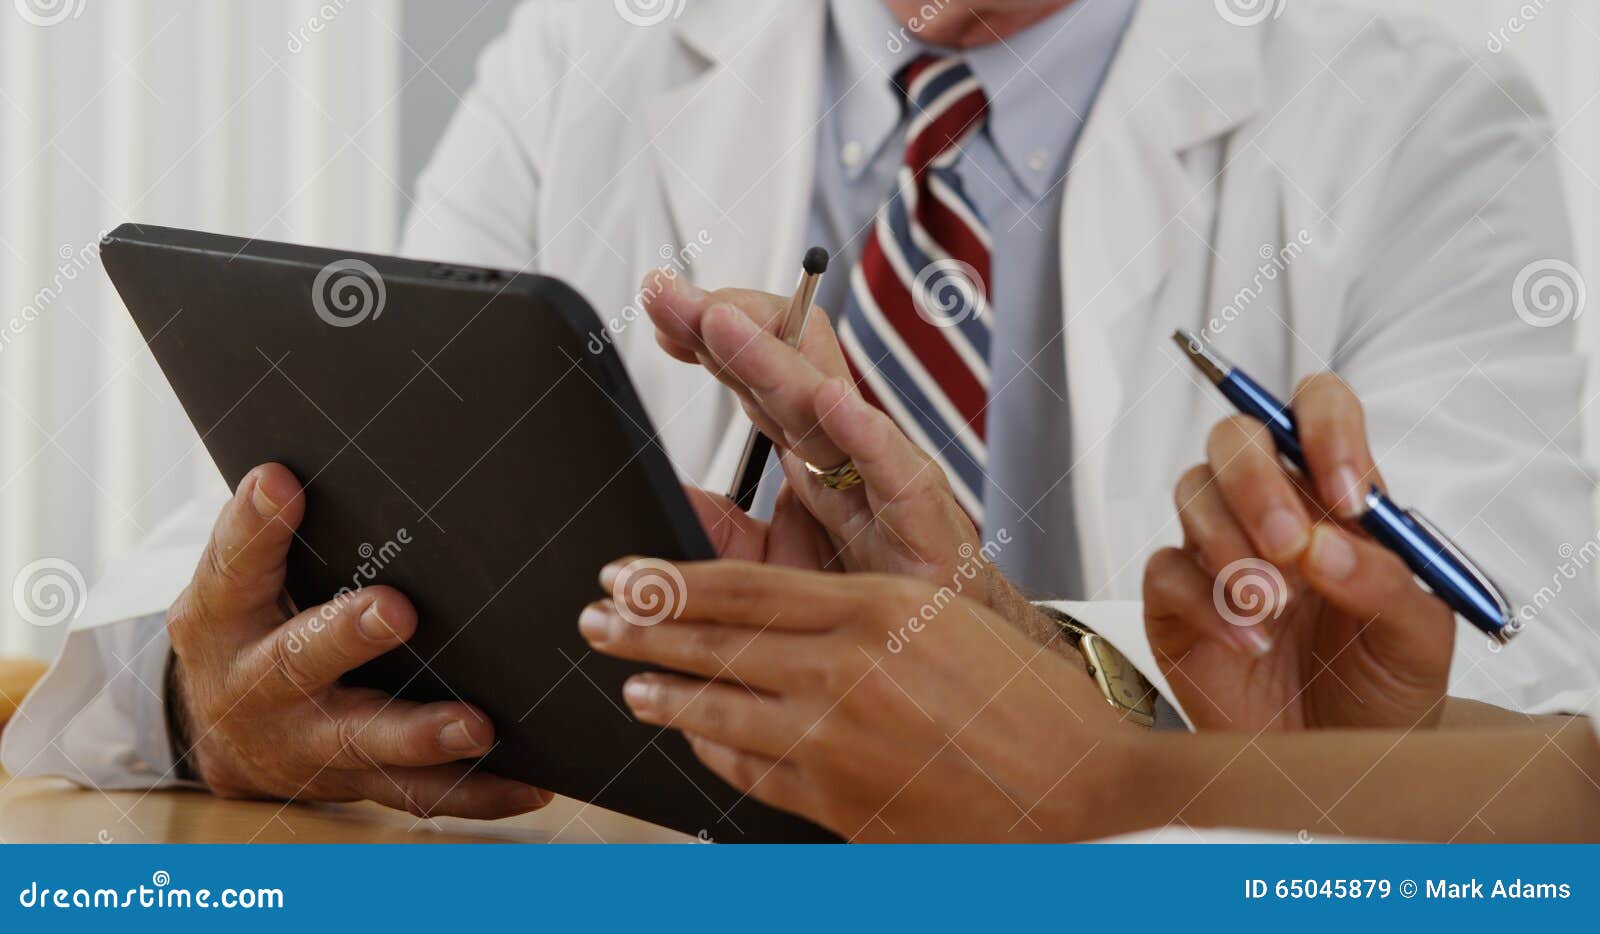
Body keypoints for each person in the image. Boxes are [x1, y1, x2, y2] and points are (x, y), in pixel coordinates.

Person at [5, 0, 1596, 820]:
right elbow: (303, 498)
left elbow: (1540, 710)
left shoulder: (1420, 118)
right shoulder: (590, 52)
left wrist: (1060, 688)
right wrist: (207, 701)